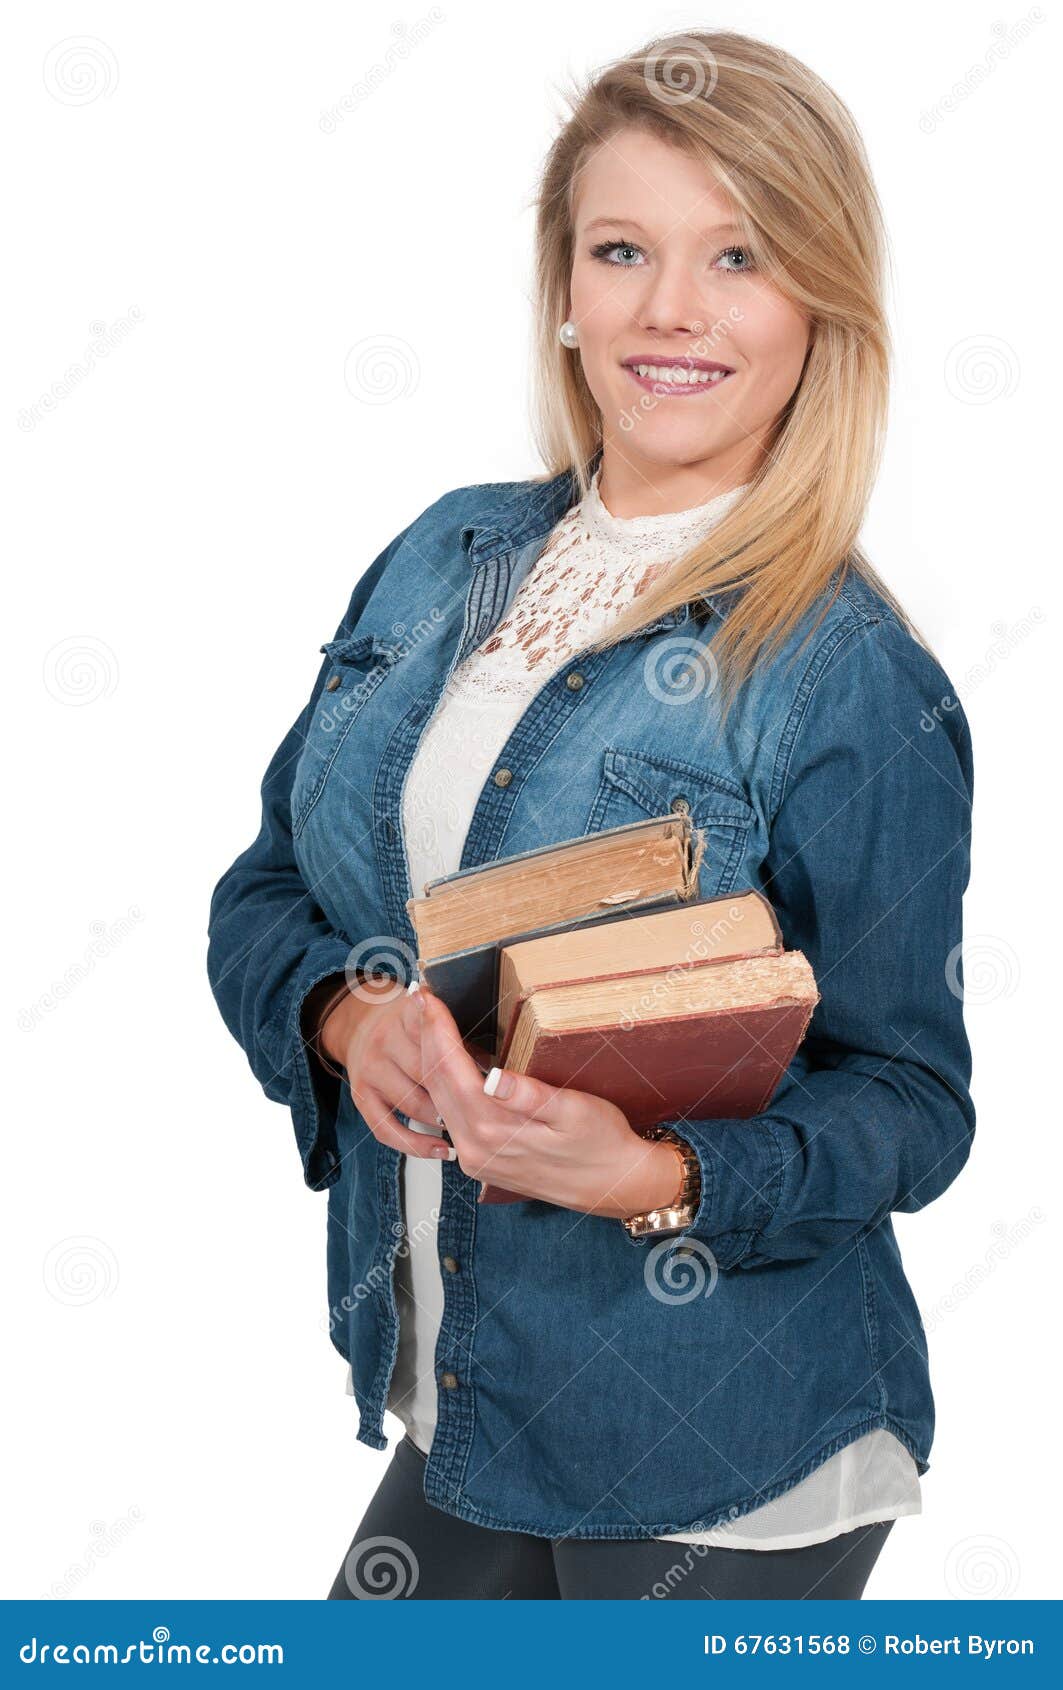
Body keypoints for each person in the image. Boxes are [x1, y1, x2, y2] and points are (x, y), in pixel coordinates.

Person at [207, 28, 975, 1600]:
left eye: (739, 257)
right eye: (622, 249)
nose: (669, 310)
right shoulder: (442, 561)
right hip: (471, 1394)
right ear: (565, 289)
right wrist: (353, 1030)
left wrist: (660, 1177)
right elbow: (268, 887)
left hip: (727, 1453)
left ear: (816, 301)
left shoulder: (848, 675)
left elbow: (912, 1097)